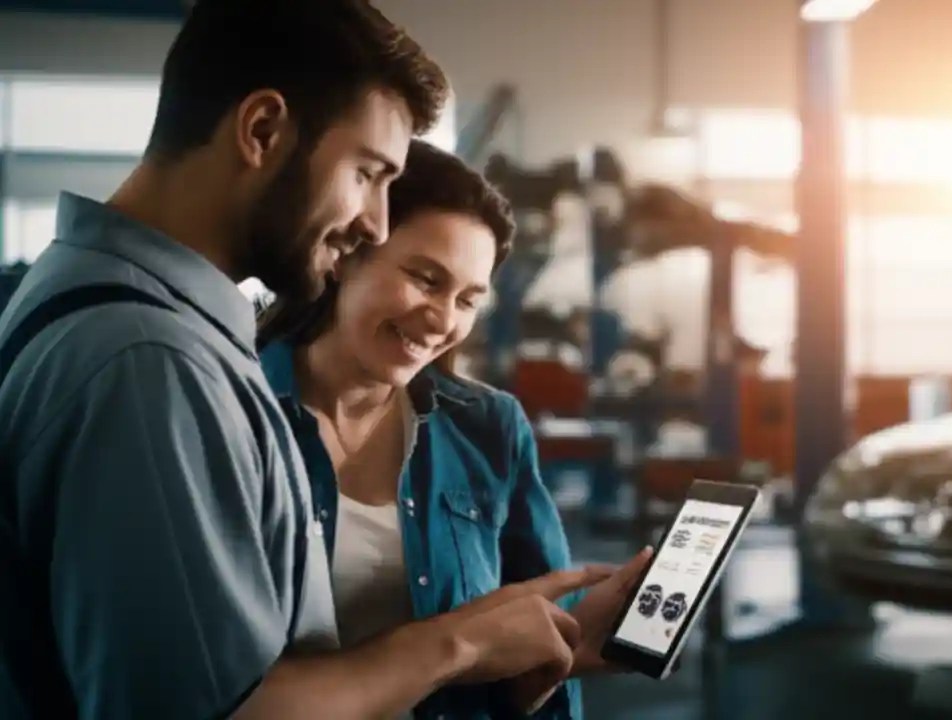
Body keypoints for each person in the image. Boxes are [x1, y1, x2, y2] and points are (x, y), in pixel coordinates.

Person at [0, 2, 614, 718]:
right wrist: (459, 644)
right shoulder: (151, 361)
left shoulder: (115, 311)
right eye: (366, 172)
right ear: (262, 130)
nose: (373, 222)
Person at [257, 139, 649, 719]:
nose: (443, 320)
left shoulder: (488, 427)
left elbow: (527, 665)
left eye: (468, 299)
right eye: (425, 278)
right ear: (346, 253)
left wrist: (571, 640)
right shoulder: (237, 409)